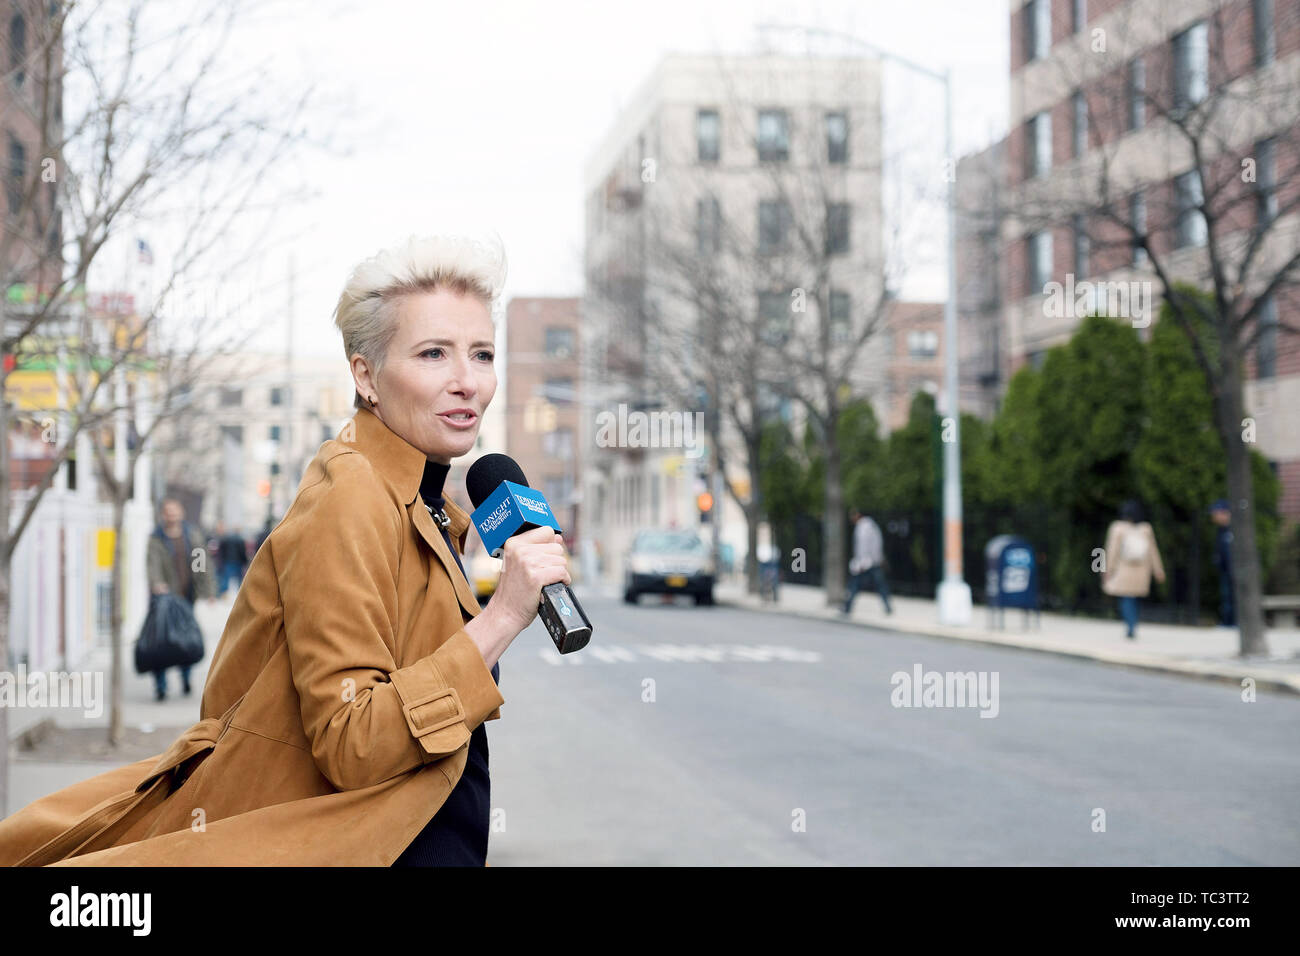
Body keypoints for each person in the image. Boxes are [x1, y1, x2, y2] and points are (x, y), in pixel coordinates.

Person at [0, 232, 569, 866]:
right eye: (434, 353)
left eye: (482, 354)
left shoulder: (425, 504)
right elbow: (352, 743)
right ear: (366, 375)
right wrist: (501, 618)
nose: (467, 381)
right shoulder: (353, 497)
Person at [145, 498, 217, 701]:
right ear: (163, 514)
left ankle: (186, 678)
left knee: (185, 641)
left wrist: (208, 591)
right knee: (160, 642)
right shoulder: (156, 538)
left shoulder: (191, 535)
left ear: (181, 513)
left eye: (175, 511)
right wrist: (157, 583)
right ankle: (161, 686)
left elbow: (201, 563)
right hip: (164, 599)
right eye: (168, 511)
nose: (171, 515)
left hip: (187, 598)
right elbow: (152, 564)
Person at [1101, 499, 1166, 640]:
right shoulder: (1146, 529)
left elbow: (1111, 551)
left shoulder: (1117, 528)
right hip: (1142, 571)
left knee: (1126, 598)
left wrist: (1106, 569)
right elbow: (1153, 551)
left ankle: (1130, 627)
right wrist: (1158, 570)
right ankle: (1133, 624)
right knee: (1134, 598)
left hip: (1124, 569)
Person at [843, 507, 891, 616]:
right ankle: (887, 607)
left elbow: (863, 546)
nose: (851, 518)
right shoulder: (872, 525)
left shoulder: (863, 527)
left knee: (854, 585)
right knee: (880, 585)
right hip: (874, 561)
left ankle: (847, 607)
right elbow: (878, 544)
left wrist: (861, 562)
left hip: (866, 563)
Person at [1210, 499, 1235, 628]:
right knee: (1226, 597)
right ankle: (1227, 622)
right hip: (1225, 570)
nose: (1213, 517)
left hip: (1235, 571)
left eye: (1216, 513)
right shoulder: (1221, 530)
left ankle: (1234, 622)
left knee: (1234, 597)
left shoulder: (1234, 529)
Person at [214, 520, 249, 597]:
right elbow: (242, 552)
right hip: (238, 561)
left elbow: (222, 550)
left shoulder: (227, 538)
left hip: (228, 561)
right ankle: (241, 594)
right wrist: (245, 562)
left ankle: (223, 594)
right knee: (239, 578)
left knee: (225, 578)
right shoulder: (240, 539)